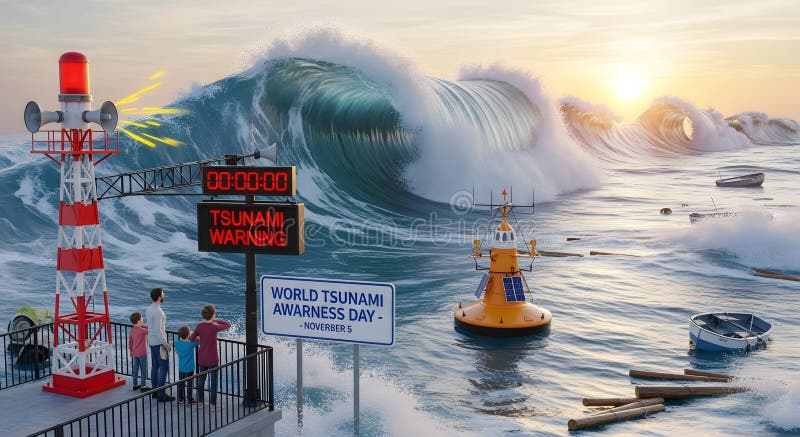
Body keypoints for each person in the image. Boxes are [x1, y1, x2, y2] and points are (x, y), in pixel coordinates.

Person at [191, 304, 231, 409]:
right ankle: (213, 404)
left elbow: (191, 338)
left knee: (201, 380)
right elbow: (228, 325)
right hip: (213, 358)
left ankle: (200, 402)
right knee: (213, 382)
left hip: (202, 358)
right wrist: (215, 320)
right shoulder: (214, 327)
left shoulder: (200, 326)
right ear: (212, 315)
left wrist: (199, 339)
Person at [146, 287, 174, 402]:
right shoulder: (158, 311)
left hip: (151, 341)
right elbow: (159, 331)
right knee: (164, 367)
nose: (164, 295)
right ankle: (161, 394)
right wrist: (166, 344)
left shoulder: (149, 308)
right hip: (159, 343)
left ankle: (155, 391)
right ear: (159, 297)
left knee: (155, 366)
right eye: (163, 294)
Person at [173, 326, 200, 404]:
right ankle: (189, 399)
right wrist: (194, 337)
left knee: (181, 383)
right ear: (188, 334)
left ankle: (180, 398)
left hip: (181, 367)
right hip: (190, 368)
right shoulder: (191, 344)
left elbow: (170, 344)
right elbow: (199, 341)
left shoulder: (177, 343)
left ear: (180, 335)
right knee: (190, 384)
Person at [128, 312, 150, 391]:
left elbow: (130, 342)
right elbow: (151, 330)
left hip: (135, 353)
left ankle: (135, 384)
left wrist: (131, 351)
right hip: (142, 353)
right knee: (143, 369)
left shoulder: (132, 330)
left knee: (136, 369)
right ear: (138, 320)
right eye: (142, 317)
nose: (143, 318)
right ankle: (143, 386)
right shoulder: (142, 330)